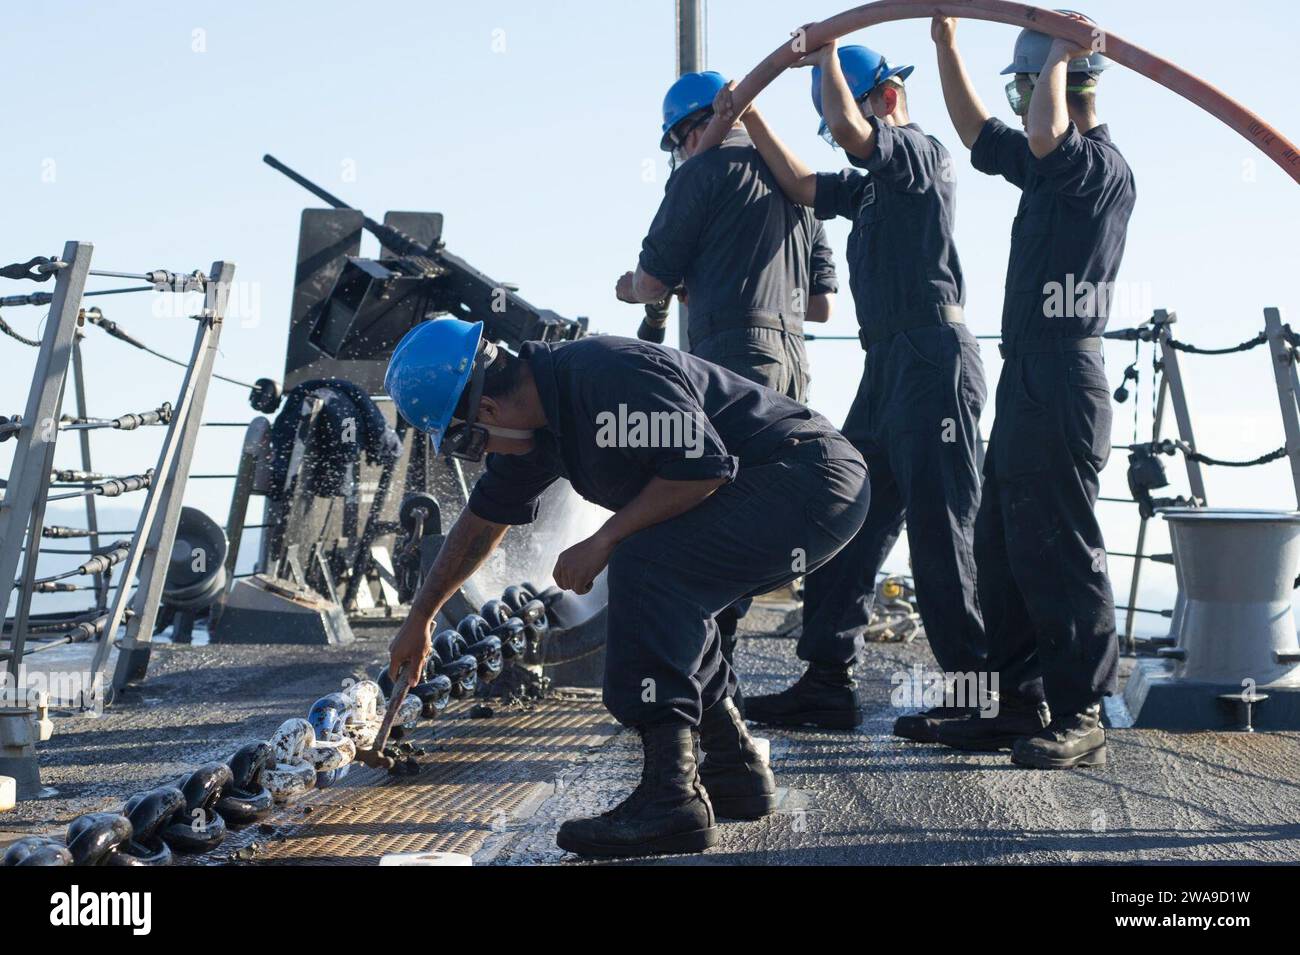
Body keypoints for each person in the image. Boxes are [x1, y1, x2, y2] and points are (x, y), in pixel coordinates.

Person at [385, 319, 870, 856]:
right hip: (788, 488)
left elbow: (702, 467)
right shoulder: (539, 432)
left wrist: (604, 539)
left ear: (488, 413)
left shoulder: (606, 375)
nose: (481, 452)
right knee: (672, 585)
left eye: (466, 439)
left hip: (812, 479)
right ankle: (734, 767)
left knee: (645, 562)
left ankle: (672, 798)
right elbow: (480, 524)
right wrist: (420, 619)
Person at [713, 40, 987, 737]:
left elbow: (843, 129)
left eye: (864, 110)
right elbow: (805, 184)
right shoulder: (869, 189)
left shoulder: (920, 154)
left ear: (887, 99)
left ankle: (977, 696)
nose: (853, 135)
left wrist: (824, 51)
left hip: (933, 359)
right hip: (887, 367)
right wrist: (751, 113)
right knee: (846, 513)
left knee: (940, 531)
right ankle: (826, 682)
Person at [929, 12, 1135, 768]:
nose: (1018, 103)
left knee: (1060, 544)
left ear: (1053, 82)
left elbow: (1048, 129)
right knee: (1002, 540)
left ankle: (1083, 710)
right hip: (1026, 374)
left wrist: (1054, 51)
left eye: (1025, 86)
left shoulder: (1096, 167)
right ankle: (1014, 702)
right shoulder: (1046, 166)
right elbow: (979, 133)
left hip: (1066, 376)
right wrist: (946, 45)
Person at [615, 70, 836, 404]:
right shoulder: (796, 180)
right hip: (793, 363)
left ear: (689, 133)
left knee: (728, 456)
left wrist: (631, 289)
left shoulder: (700, 172)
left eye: (677, 146)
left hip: (732, 360)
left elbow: (651, 285)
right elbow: (821, 306)